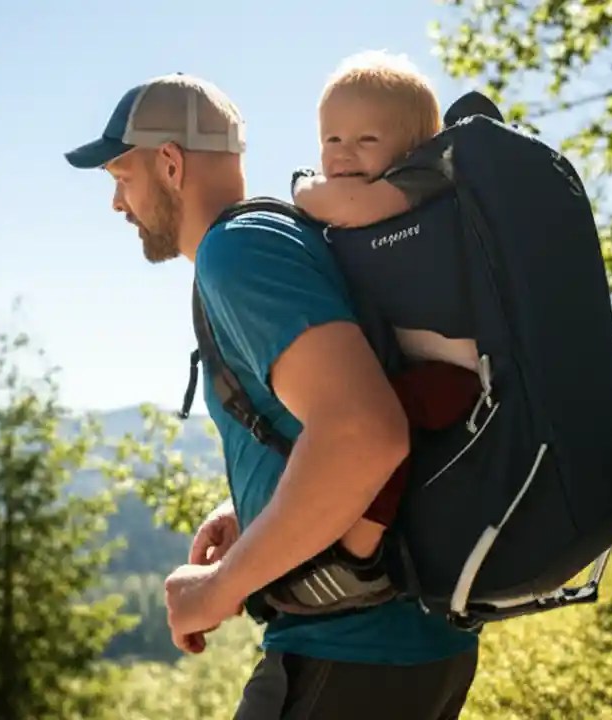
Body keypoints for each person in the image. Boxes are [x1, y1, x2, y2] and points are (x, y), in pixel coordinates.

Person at [64, 68, 479, 718]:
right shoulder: (284, 239)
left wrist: (218, 589)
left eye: (122, 177)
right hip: (403, 651)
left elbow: (365, 432)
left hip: (346, 655)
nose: (118, 203)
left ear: (170, 163)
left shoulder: (238, 254)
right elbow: (335, 418)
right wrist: (255, 512)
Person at [252, 50, 488, 618]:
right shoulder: (398, 188)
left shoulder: (424, 179)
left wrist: (303, 190)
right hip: (433, 370)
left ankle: (357, 554)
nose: (342, 154)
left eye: (365, 140)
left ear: (411, 149)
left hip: (459, 378)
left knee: (383, 417)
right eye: (331, 140)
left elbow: (349, 205)